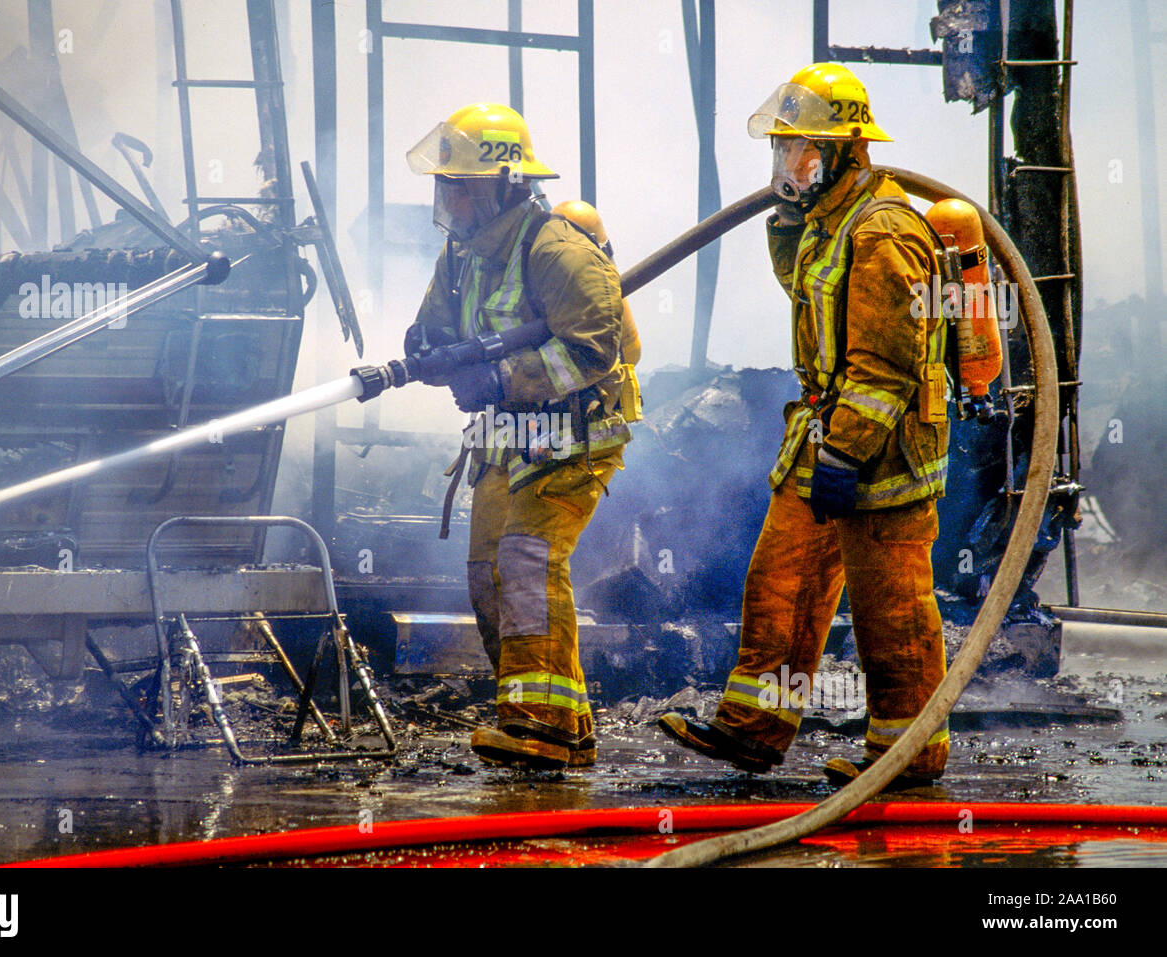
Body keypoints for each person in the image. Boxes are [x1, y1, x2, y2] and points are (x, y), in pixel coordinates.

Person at [658, 63, 952, 789]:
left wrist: (846, 456)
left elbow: (886, 371)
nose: (787, 164)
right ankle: (756, 726)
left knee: (890, 605)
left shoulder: (883, 231)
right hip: (825, 436)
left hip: (882, 453)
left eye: (801, 150)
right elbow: (804, 287)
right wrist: (790, 213)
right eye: (783, 151)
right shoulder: (830, 220)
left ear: (845, 149)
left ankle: (909, 751)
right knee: (780, 580)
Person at [403, 103, 637, 770]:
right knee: (487, 578)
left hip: (575, 438)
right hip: (507, 442)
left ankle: (535, 725)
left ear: (504, 183)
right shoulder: (463, 253)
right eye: (443, 184)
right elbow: (439, 327)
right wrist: (422, 346)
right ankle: (567, 726)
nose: (449, 199)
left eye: (461, 185)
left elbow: (593, 353)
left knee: (528, 565)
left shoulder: (558, 250)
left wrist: (503, 378)